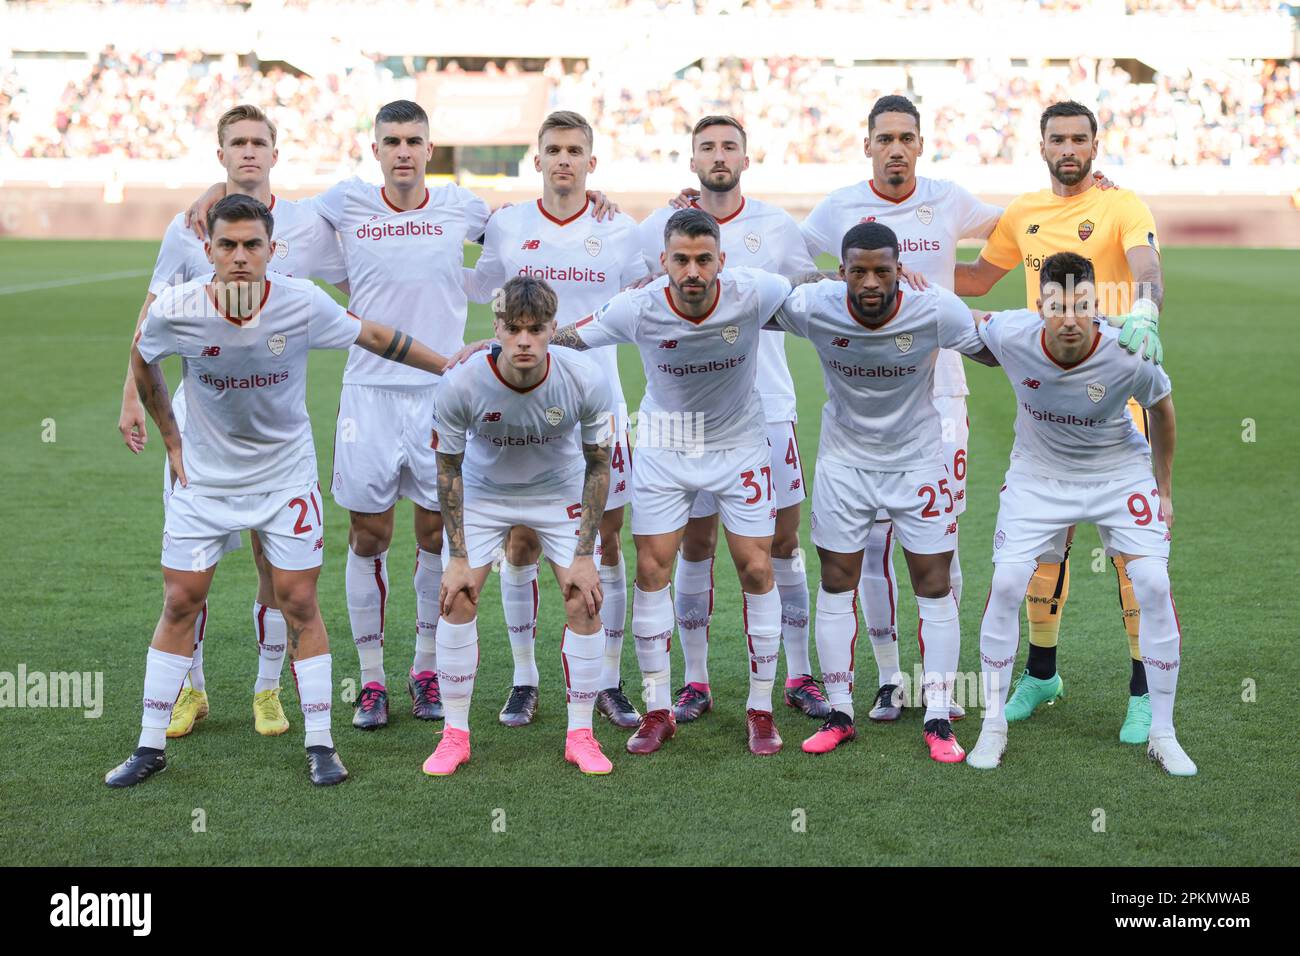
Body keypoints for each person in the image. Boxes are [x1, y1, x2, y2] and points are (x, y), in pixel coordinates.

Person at [106, 195, 451, 788]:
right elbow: (143, 356)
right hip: (206, 480)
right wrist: (172, 439)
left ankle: (321, 744)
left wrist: (448, 366)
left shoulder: (300, 302)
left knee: (297, 601)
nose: (240, 257)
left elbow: (373, 335)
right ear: (208, 250)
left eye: (252, 245)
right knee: (180, 599)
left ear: (271, 249)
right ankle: (148, 744)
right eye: (227, 246)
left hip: (285, 477)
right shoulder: (179, 309)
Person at [117, 104, 348, 740]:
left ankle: (267, 689)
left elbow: (365, 268)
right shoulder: (185, 228)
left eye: (259, 142)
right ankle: (190, 690)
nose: (249, 152)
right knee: (190, 574)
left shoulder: (308, 222)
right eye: (237, 143)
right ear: (220, 153)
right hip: (201, 435)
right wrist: (131, 398)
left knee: (277, 574)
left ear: (277, 152)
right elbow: (152, 322)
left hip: (275, 434)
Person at [956, 100, 1166, 743]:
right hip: (1045, 396)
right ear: (1041, 146)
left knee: (1134, 562)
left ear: (1095, 145)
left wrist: (1147, 309)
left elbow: (1147, 266)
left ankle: (1141, 692)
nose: (1069, 148)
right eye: (1058, 139)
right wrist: (896, 274)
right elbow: (974, 278)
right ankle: (1042, 673)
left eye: (1079, 138)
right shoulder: (1022, 213)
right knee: (1044, 553)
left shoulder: (1121, 204)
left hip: (1112, 394)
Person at [548, 209, 793, 757]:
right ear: (663, 262)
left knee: (757, 566)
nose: (692, 271)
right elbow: (571, 338)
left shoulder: (755, 292)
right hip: (664, 443)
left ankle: (761, 708)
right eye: (680, 259)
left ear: (721, 262)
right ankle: (658, 708)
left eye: (704, 259)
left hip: (739, 443)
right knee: (653, 570)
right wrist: (497, 349)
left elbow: (815, 300)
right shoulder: (637, 306)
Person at [773, 222, 997, 762]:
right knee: (837, 580)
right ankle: (840, 711)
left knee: (934, 583)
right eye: (858, 271)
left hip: (918, 463)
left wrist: (1076, 331)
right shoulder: (814, 305)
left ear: (900, 269)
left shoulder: (934, 308)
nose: (871, 282)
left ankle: (940, 716)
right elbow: (738, 301)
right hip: (844, 467)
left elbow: (992, 349)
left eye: (882, 270)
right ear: (841, 272)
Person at [965, 252, 1191, 776]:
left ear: (1097, 304)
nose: (1070, 318)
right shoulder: (1011, 333)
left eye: (1082, 306)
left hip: (1117, 471)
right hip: (1039, 474)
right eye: (1057, 306)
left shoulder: (1130, 352)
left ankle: (1164, 731)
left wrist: (1165, 490)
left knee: (1153, 583)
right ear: (1038, 305)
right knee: (1005, 584)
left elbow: (1162, 410)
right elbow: (954, 318)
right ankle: (992, 725)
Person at [462, 111, 647, 730]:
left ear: (591, 162)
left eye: (574, 150)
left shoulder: (622, 229)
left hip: (599, 410)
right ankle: (523, 677)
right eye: (553, 150)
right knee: (522, 540)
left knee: (606, 541)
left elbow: (663, 280)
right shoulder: (509, 225)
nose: (563, 160)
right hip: (522, 409)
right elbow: (484, 293)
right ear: (536, 159)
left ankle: (610, 679)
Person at [641, 115, 827, 725]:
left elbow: (811, 291)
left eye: (729, 147)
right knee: (690, 545)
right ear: (691, 157)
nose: (718, 156)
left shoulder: (776, 225)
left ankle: (797, 672)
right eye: (707, 147)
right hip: (679, 415)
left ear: (747, 158)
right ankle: (694, 681)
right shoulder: (660, 227)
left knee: (779, 545)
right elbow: (624, 289)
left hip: (766, 409)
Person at [425, 276, 615, 777]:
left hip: (558, 491)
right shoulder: (461, 382)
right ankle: (455, 734)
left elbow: (599, 465)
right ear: (497, 328)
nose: (524, 340)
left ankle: (581, 734)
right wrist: (460, 557)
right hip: (486, 494)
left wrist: (584, 554)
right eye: (514, 329)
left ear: (554, 329)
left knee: (582, 596)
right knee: (457, 597)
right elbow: (447, 468)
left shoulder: (586, 377)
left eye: (536, 329)